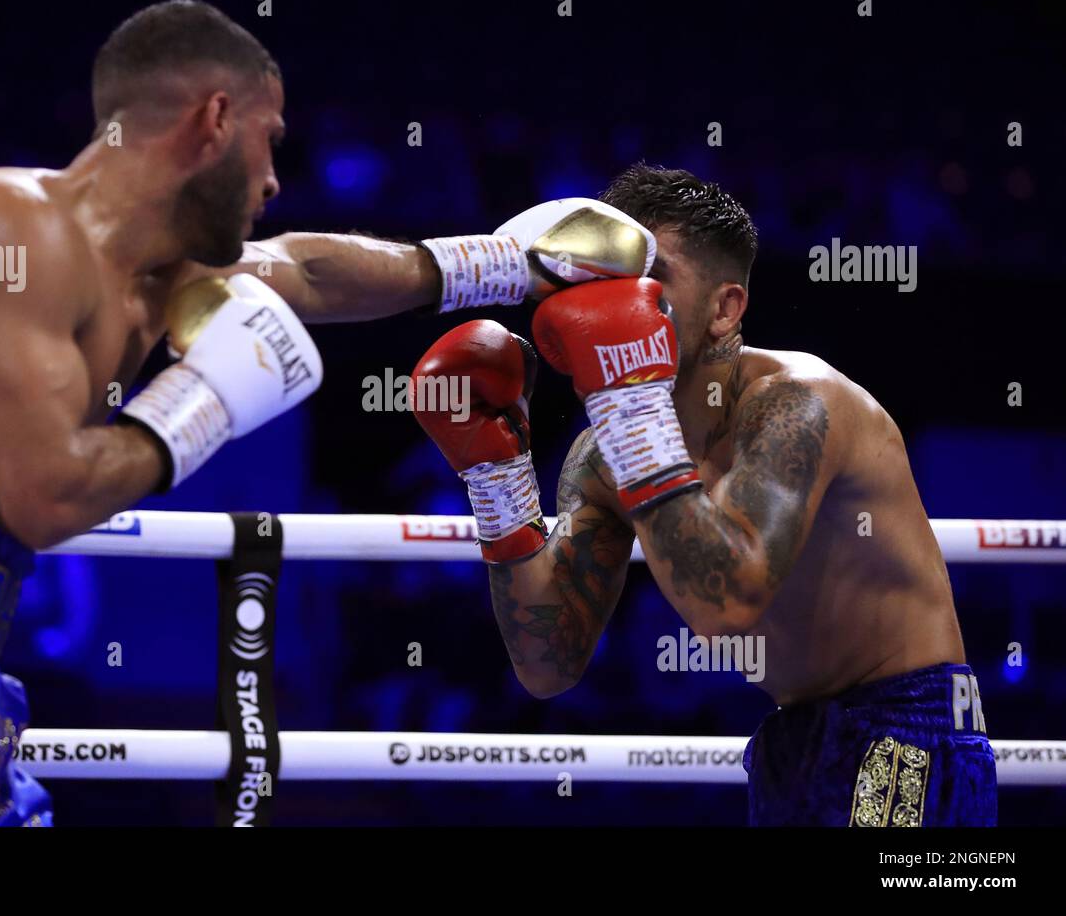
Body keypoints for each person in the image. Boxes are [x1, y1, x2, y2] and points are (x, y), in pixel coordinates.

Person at [0, 0, 623, 826]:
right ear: (214, 118)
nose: (277, 179)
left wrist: (507, 264)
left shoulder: (158, 274)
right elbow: (48, 497)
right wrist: (206, 398)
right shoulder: (2, 226)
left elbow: (312, 272)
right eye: (270, 142)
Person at [412, 164, 997, 826]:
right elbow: (548, 663)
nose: (616, 295)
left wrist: (629, 407)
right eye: (599, 276)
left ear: (724, 308)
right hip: (791, 742)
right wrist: (499, 481)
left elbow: (732, 602)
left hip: (907, 733)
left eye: (647, 277)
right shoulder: (603, 455)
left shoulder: (797, 403)